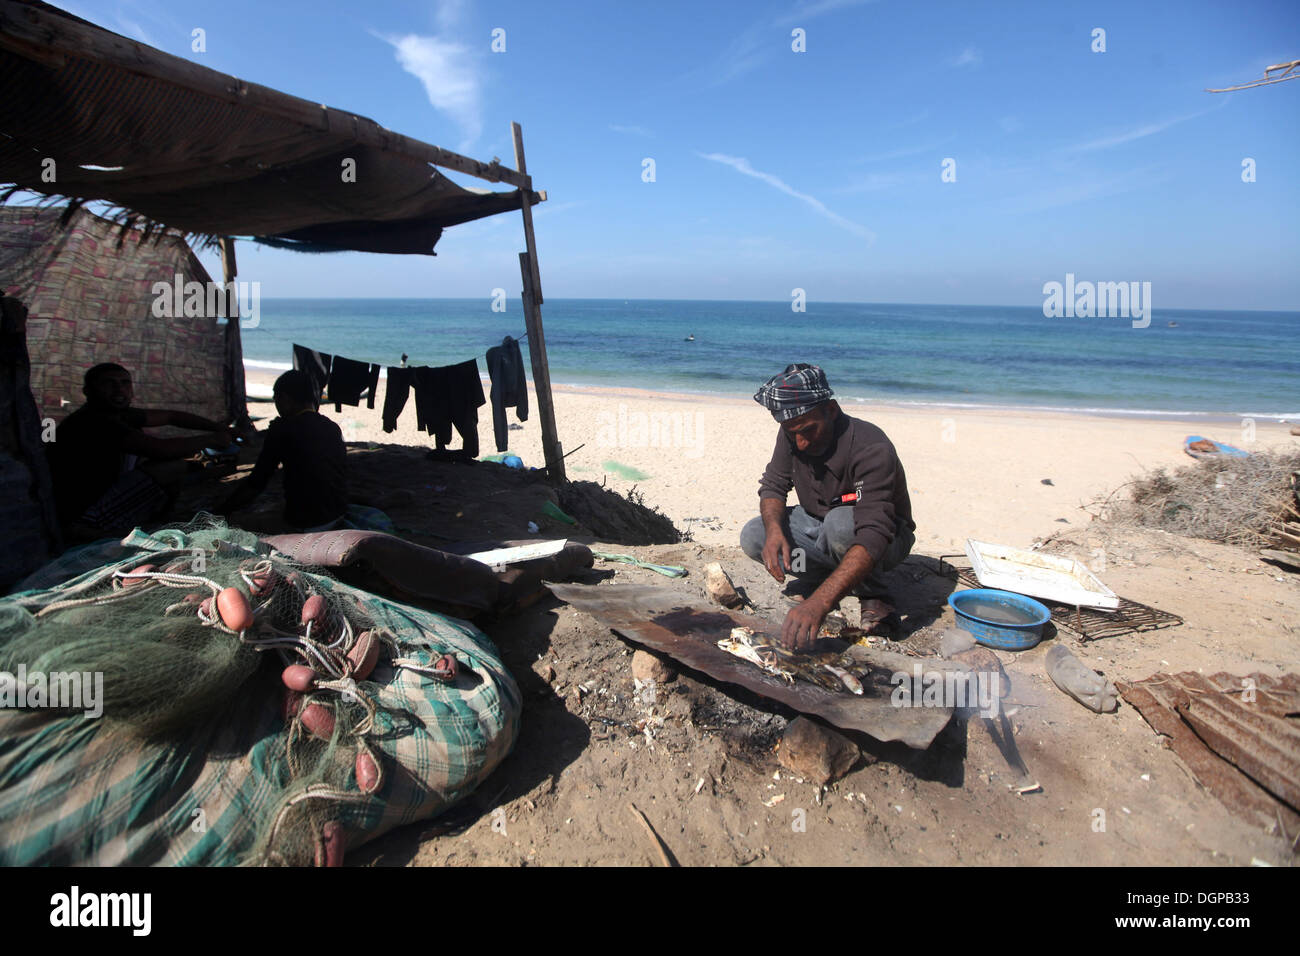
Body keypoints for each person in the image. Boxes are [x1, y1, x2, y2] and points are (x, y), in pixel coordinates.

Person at [740, 363, 916, 650]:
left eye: (808, 430)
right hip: (818, 524)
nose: (801, 441)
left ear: (831, 410)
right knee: (754, 535)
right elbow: (773, 485)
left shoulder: (871, 447)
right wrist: (774, 531)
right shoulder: (793, 431)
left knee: (842, 524)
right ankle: (825, 578)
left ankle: (874, 594)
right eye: (792, 432)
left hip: (885, 538)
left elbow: (874, 531)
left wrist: (820, 604)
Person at [47, 363, 232, 538]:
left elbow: (171, 416)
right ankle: (99, 532)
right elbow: (161, 450)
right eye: (109, 384)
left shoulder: (119, 414)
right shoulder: (94, 421)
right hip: (83, 515)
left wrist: (218, 428)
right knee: (169, 468)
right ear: (88, 391)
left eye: (125, 383)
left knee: (170, 467)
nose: (119, 390)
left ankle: (151, 518)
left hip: (99, 497)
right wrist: (212, 439)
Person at [218, 369, 348, 531]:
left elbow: (257, 483)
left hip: (308, 524)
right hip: (338, 514)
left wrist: (221, 511)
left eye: (276, 399)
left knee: (237, 524)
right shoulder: (332, 426)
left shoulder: (282, 430)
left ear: (284, 399)